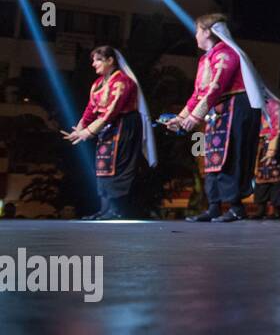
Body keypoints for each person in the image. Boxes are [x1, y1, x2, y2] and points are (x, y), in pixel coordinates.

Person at [173, 14, 265, 222]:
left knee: (231, 155)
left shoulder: (226, 54)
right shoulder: (206, 58)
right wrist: (180, 118)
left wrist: (195, 116)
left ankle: (235, 206)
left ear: (207, 32)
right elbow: (199, 92)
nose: (195, 35)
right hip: (218, 110)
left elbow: (216, 86)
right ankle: (214, 206)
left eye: (198, 30)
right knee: (213, 157)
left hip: (235, 107)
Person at [64, 45, 156, 220]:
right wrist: (80, 128)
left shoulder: (122, 82)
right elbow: (91, 109)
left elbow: (111, 111)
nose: (93, 64)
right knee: (103, 167)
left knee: (118, 167)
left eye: (98, 60)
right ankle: (105, 209)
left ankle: (117, 209)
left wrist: (88, 132)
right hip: (106, 128)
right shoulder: (97, 84)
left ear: (110, 60)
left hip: (124, 125)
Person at [250, 91, 280, 220]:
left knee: (277, 175)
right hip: (262, 142)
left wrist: (272, 150)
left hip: (279, 143)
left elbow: (276, 126)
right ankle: (261, 208)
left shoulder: (275, 105)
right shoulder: (258, 105)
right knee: (261, 175)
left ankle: (276, 209)